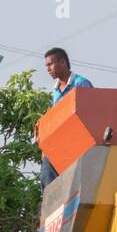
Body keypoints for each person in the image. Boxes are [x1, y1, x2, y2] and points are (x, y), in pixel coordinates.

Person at [40, 47, 92, 187]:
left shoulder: (81, 84)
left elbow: (89, 114)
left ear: (62, 62)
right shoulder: (56, 91)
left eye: (50, 64)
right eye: (46, 66)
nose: (48, 69)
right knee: (47, 168)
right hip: (63, 140)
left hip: (80, 140)